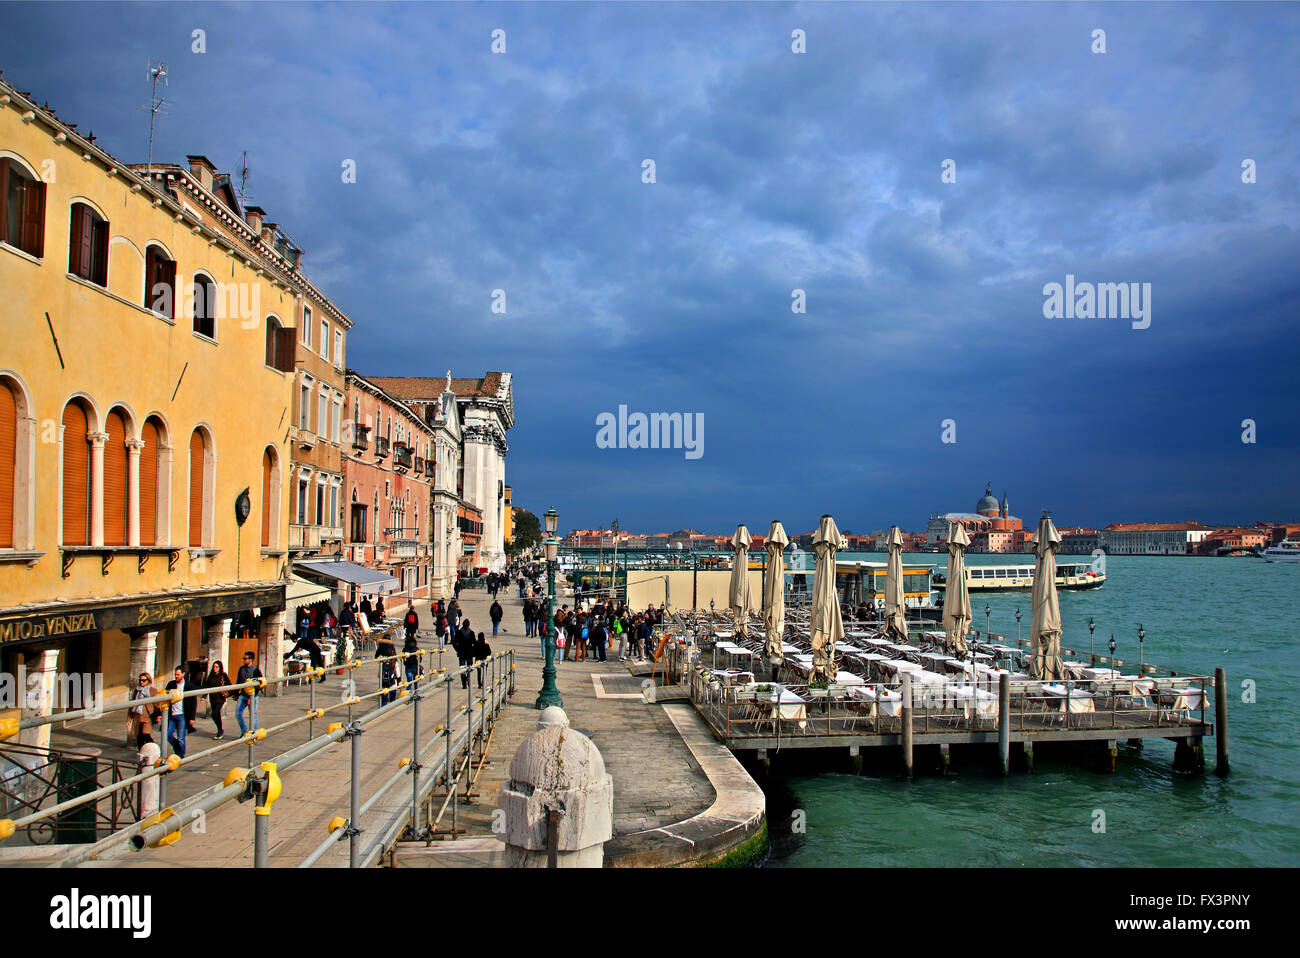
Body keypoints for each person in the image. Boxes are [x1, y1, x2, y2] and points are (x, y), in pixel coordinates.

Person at [127, 672, 159, 749]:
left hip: (147, 716)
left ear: (148, 681)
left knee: (146, 735)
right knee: (139, 737)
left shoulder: (152, 690)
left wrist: (158, 715)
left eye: (143, 680)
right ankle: (142, 753)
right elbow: (132, 704)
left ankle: (154, 749)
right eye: (140, 680)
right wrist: (129, 719)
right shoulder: (137, 690)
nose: (141, 682)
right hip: (137, 716)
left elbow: (157, 704)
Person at [235, 651, 263, 736]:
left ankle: (253, 733)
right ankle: (244, 731)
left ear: (251, 659)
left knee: (253, 714)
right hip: (243, 695)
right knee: (238, 713)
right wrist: (236, 694)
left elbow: (259, 684)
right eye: (243, 658)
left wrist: (252, 697)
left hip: (252, 696)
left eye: (245, 658)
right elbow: (238, 682)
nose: (244, 660)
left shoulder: (256, 670)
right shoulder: (241, 669)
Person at [204, 661, 232, 740]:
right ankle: (220, 729)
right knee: (216, 715)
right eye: (214, 667)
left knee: (214, 713)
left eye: (216, 667)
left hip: (220, 698)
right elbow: (207, 686)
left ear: (220, 668)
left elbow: (229, 685)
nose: (215, 669)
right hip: (212, 698)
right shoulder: (211, 676)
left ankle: (220, 730)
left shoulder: (223, 675)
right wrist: (203, 697)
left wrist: (233, 694)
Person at [163, 667, 188, 758]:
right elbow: (165, 697)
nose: (176, 676)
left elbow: (192, 702)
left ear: (183, 674)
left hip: (181, 715)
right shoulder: (171, 684)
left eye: (178, 674)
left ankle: (181, 755)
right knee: (168, 734)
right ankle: (177, 747)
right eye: (175, 674)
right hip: (172, 715)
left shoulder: (188, 685)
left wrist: (192, 717)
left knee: (181, 737)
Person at [375, 631, 399, 706]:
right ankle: (392, 704)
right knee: (392, 696)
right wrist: (399, 679)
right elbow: (397, 673)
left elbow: (376, 655)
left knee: (384, 694)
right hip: (392, 679)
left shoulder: (381, 645)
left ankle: (383, 707)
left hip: (383, 665)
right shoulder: (391, 645)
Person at [452, 619, 475, 688]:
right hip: (469, 653)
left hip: (461, 653)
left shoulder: (458, 632)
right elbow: (474, 643)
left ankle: (464, 684)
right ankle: (468, 676)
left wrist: (457, 649)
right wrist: (473, 650)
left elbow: (454, 642)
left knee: (462, 668)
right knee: (469, 667)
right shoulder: (471, 633)